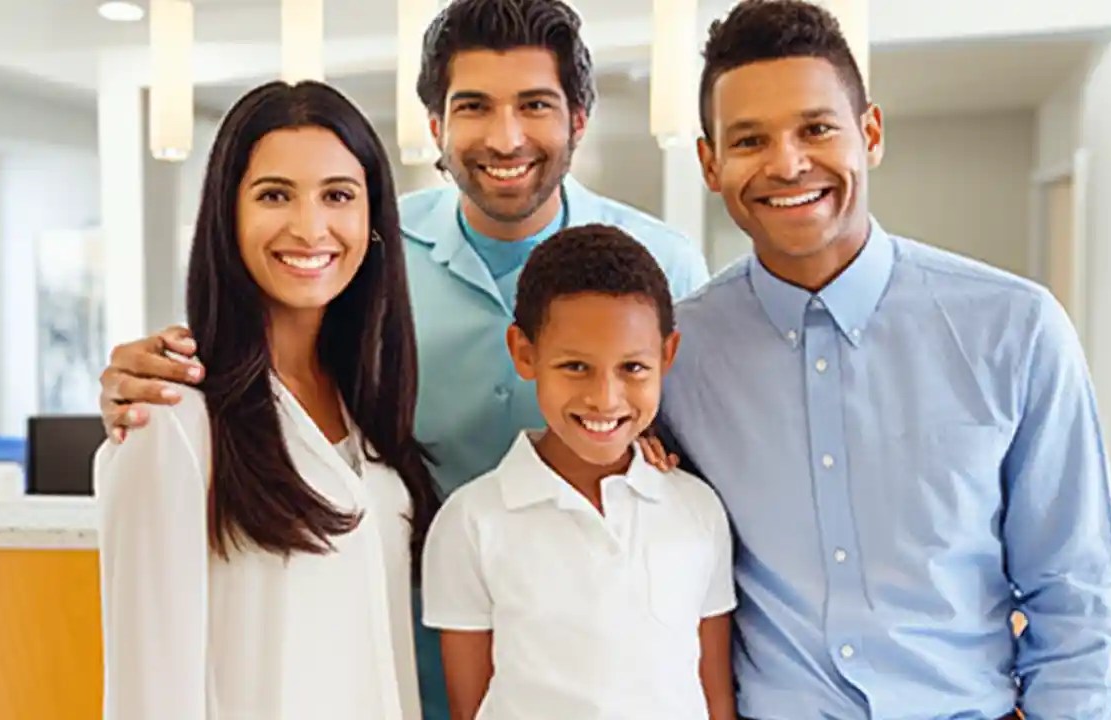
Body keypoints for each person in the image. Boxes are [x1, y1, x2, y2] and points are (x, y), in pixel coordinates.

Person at [94, 1, 710, 717]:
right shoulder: (371, 260)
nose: (505, 136)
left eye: (535, 104)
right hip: (411, 668)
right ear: (436, 127)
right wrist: (140, 387)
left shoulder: (661, 268)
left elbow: (690, 480)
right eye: (474, 106)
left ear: (578, 119)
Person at [651, 1, 1111, 718]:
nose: (787, 164)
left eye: (816, 128)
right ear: (710, 164)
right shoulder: (674, 357)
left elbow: (1074, 589)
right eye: (749, 139)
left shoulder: (1016, 330)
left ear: (870, 134)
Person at [95, 80, 439, 719]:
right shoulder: (172, 418)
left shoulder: (366, 402)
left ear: (373, 220)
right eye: (275, 195)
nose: (309, 228)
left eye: (338, 195)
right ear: (227, 217)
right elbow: (149, 693)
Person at [421, 224, 737, 720]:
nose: (604, 399)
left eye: (632, 368)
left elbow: (714, 697)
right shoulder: (471, 522)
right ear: (525, 354)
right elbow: (471, 708)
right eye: (575, 367)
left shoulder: (697, 509)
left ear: (667, 355)